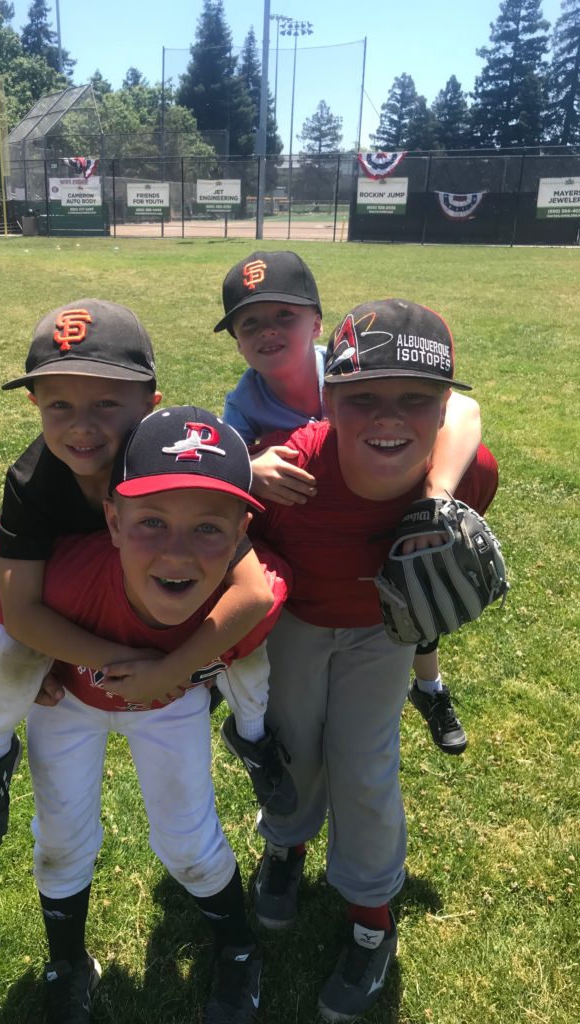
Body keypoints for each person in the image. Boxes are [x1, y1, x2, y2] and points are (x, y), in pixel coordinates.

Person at [0, 405, 291, 1024]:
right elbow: (11, 599)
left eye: (207, 529)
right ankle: (65, 960)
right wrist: (43, 666)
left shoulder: (241, 597)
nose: (176, 554)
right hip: (73, 703)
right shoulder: (59, 579)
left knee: (189, 840)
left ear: (241, 530)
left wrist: (176, 670)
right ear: (112, 521)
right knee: (60, 839)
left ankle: (238, 945)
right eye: (150, 521)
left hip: (169, 707)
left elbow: (257, 600)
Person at [245, 299, 500, 1022]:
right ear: (328, 396)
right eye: (363, 399)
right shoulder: (290, 465)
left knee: (364, 762)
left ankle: (371, 918)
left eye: (414, 400)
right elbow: (232, 534)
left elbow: (468, 456)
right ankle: (287, 847)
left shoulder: (465, 470)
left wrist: (438, 496)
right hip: (297, 620)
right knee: (291, 743)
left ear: (443, 405)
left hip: (381, 629)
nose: (388, 420)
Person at [0, 299, 288, 859]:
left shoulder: (174, 463)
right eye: (58, 403)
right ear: (34, 403)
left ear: (149, 402)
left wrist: (175, 667)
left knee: (252, 632)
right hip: (85, 605)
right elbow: (23, 611)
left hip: (158, 598)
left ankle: (252, 734)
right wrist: (112, 661)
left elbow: (252, 591)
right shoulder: (34, 479)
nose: (82, 425)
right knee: (8, 635)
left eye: (107, 402)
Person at [216, 250, 483, 756]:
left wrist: (437, 490)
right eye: (250, 324)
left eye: (284, 316)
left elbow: (462, 407)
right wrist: (248, 467)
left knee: (419, 590)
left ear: (317, 322)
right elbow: (218, 463)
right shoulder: (245, 402)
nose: (268, 331)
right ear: (238, 343)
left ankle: (429, 688)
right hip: (320, 541)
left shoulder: (351, 361)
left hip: (387, 513)